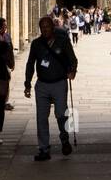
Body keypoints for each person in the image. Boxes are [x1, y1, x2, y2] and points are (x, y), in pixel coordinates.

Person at [23, 14, 79, 161]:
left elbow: (73, 59)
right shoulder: (36, 44)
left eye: (48, 27)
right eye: (42, 27)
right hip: (42, 84)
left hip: (59, 83)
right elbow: (30, 64)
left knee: (62, 114)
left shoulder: (63, 41)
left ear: (52, 27)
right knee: (41, 118)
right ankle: (44, 149)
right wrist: (27, 83)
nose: (45, 29)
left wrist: (72, 70)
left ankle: (65, 138)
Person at [0, 17, 16, 110]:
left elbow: (10, 49)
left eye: (6, 25)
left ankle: (5, 101)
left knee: (6, 81)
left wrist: (12, 62)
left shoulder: (7, 36)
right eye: (4, 25)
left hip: (6, 64)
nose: (5, 27)